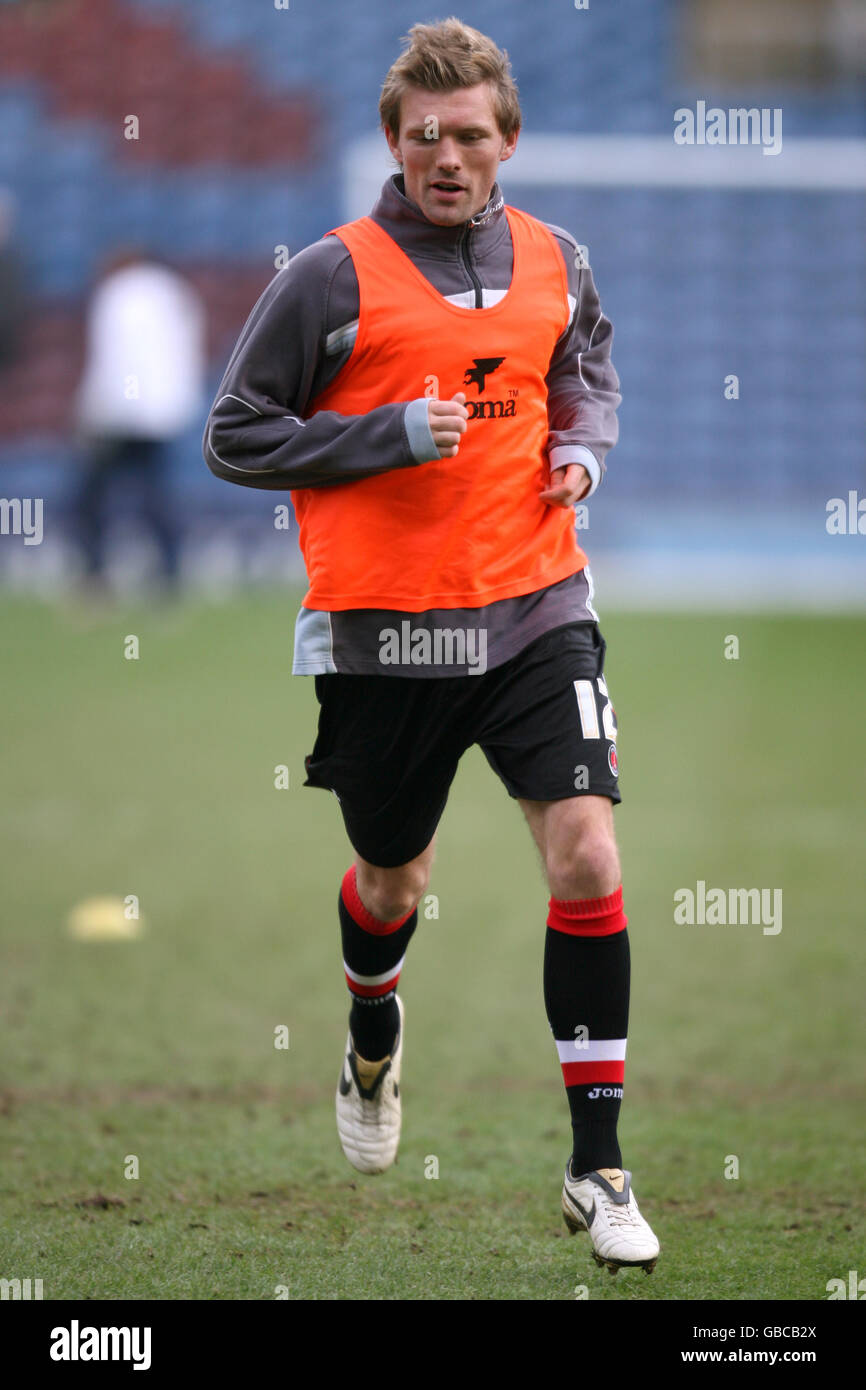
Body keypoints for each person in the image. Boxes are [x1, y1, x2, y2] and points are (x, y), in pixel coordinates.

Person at [204, 18, 659, 1275]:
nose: (445, 157)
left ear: (506, 140)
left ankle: (597, 1163)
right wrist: (381, 437)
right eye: (422, 138)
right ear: (392, 143)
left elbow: (586, 371)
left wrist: (581, 447)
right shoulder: (328, 278)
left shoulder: (558, 259)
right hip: (384, 634)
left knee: (584, 853)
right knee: (392, 883)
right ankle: (368, 1031)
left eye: (468, 136)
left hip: (533, 609)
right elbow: (233, 435)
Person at [74, 248, 206, 591]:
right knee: (154, 495)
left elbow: (112, 358)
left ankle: (95, 573)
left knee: (92, 496)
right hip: (162, 414)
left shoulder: (118, 293)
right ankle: (169, 574)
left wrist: (94, 411)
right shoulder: (176, 292)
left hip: (118, 414)